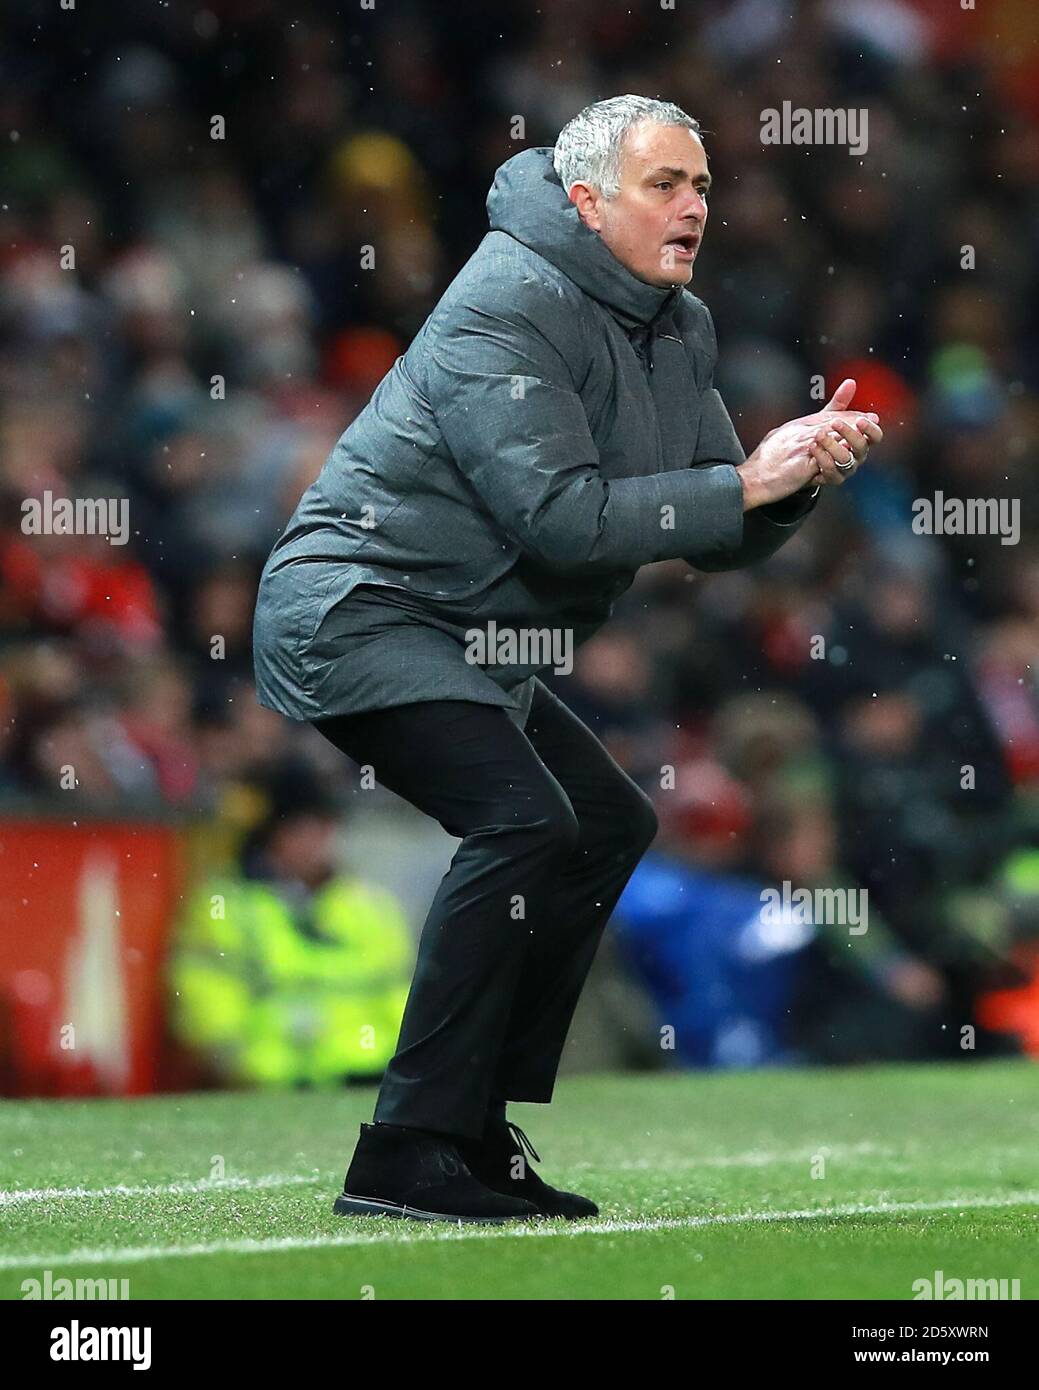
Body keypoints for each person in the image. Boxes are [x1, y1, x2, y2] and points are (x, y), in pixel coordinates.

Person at [252, 94, 883, 1224]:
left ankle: (477, 1135)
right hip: (357, 606)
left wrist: (793, 480)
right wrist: (741, 481)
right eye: (664, 185)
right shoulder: (504, 298)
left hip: (465, 635)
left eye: (701, 185)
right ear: (586, 202)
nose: (694, 206)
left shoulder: (676, 323)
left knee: (605, 823)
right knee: (527, 820)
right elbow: (563, 519)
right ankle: (404, 1146)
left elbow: (707, 525)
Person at [170, 770, 413, 1089]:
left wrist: (402, 1066)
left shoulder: (370, 905)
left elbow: (403, 997)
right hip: (269, 1085)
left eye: (323, 828)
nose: (315, 842)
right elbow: (207, 999)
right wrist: (245, 1068)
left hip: (368, 1080)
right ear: (271, 835)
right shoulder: (228, 906)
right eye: (300, 830)